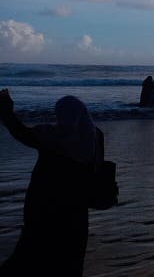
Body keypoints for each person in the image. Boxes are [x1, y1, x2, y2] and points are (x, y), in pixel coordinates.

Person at [0, 89, 104, 276]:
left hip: (45, 207)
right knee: (70, 261)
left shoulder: (52, 136)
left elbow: (20, 132)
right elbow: (97, 172)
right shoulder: (95, 136)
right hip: (76, 210)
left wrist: (7, 110)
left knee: (26, 258)